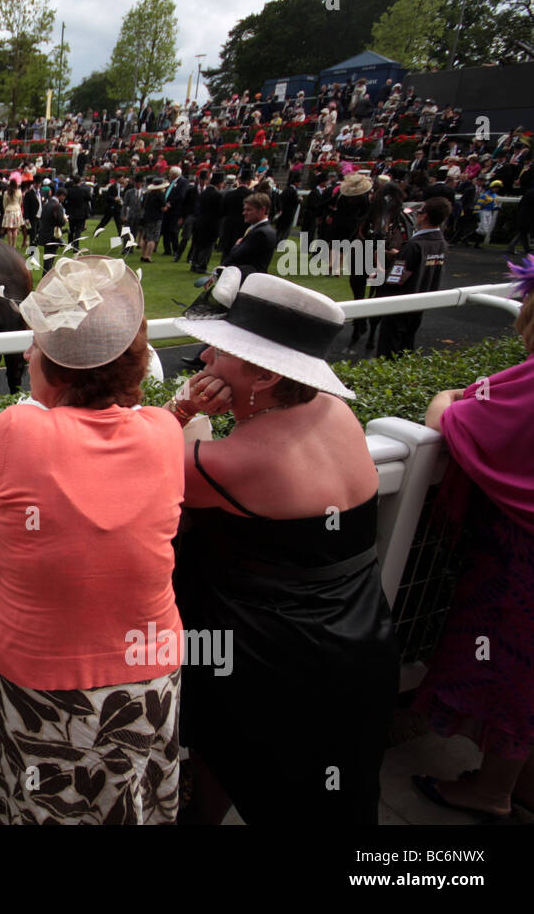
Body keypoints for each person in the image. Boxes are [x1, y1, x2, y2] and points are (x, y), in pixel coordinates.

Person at [0, 257, 184, 824]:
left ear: (63, 370)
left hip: (41, 683)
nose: (25, 354)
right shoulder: (167, 430)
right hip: (152, 679)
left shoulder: (19, 428)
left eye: (37, 346)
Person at [167, 270, 398, 824]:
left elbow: (151, 462)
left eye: (221, 352)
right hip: (357, 640)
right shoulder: (334, 412)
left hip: (270, 660)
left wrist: (184, 409)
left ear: (266, 376)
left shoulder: (236, 463)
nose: (202, 359)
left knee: (260, 779)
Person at [409, 259, 534, 821]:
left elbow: (454, 418)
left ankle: (492, 790)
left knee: (515, 673)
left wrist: (443, 399)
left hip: (520, 564)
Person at [373, 196, 450, 358]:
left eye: (420, 212)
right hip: (420, 302)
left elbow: (396, 279)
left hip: (400, 303)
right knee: (406, 348)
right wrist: (400, 255)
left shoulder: (415, 245)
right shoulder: (441, 242)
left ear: (425, 216)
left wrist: (380, 275)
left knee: (388, 351)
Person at [220, 193, 278, 277]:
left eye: (249, 210)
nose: (244, 213)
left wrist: (236, 245)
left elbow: (237, 256)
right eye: (244, 209)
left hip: (247, 279)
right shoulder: (261, 230)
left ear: (262, 210)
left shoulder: (261, 233)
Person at [37, 183, 67, 272]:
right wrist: (65, 219)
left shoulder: (47, 204)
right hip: (53, 235)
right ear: (61, 196)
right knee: (50, 257)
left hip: (45, 233)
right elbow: (61, 222)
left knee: (47, 257)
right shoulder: (57, 206)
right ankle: (47, 274)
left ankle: (46, 273)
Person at [0, 179, 23, 248]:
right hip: (17, 210)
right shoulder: (19, 192)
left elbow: (4, 203)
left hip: (9, 210)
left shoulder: (6, 193)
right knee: (15, 229)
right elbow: (20, 201)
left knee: (9, 229)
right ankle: (14, 244)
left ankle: (9, 244)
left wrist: (5, 209)